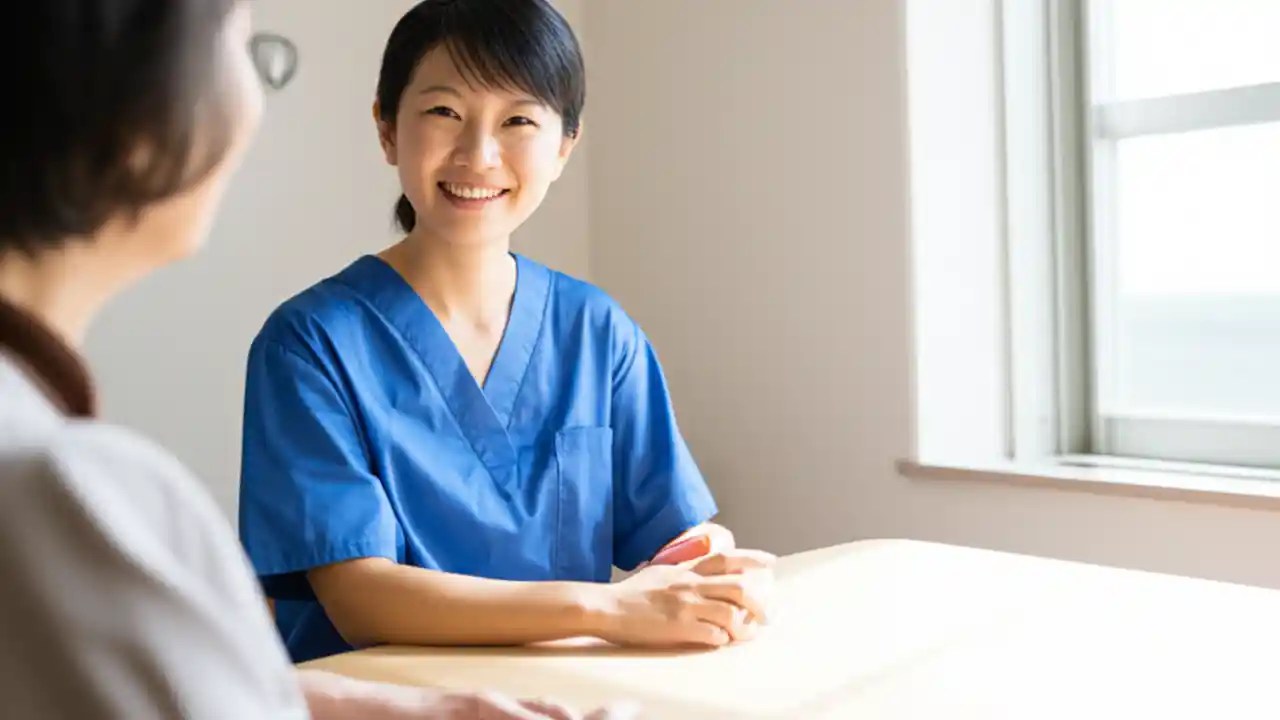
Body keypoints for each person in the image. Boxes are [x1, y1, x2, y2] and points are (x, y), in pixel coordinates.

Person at [0, 1, 618, 717]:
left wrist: (437, 710)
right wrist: (602, 610)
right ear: (130, 115)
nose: (255, 104)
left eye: (518, 119)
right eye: (244, 49)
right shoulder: (63, 496)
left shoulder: (50, 469)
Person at [239, 0, 777, 665]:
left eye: (518, 120)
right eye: (444, 112)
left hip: (565, 696)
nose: (479, 154)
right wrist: (606, 609)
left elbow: (673, 535)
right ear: (387, 128)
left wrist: (707, 564)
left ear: (564, 146)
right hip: (390, 701)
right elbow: (362, 600)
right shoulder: (310, 345)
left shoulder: (597, 331)